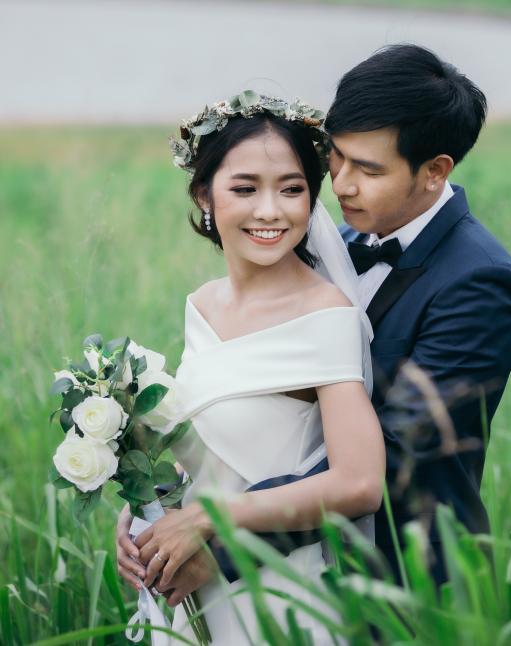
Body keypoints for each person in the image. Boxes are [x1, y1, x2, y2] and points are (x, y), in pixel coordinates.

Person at [219, 44, 511, 586]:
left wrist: (227, 541)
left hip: (402, 581)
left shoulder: (480, 283)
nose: (339, 184)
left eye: (367, 169)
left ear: (435, 171)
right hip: (301, 570)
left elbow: (394, 459)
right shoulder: (331, 245)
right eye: (335, 157)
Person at [114, 92, 385, 643]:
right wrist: (143, 518)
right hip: (197, 586)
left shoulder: (324, 314)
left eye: (292, 189)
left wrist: (208, 517)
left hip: (282, 596)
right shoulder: (203, 304)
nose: (271, 210)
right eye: (245, 189)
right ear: (203, 193)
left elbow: (359, 483)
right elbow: (213, 445)